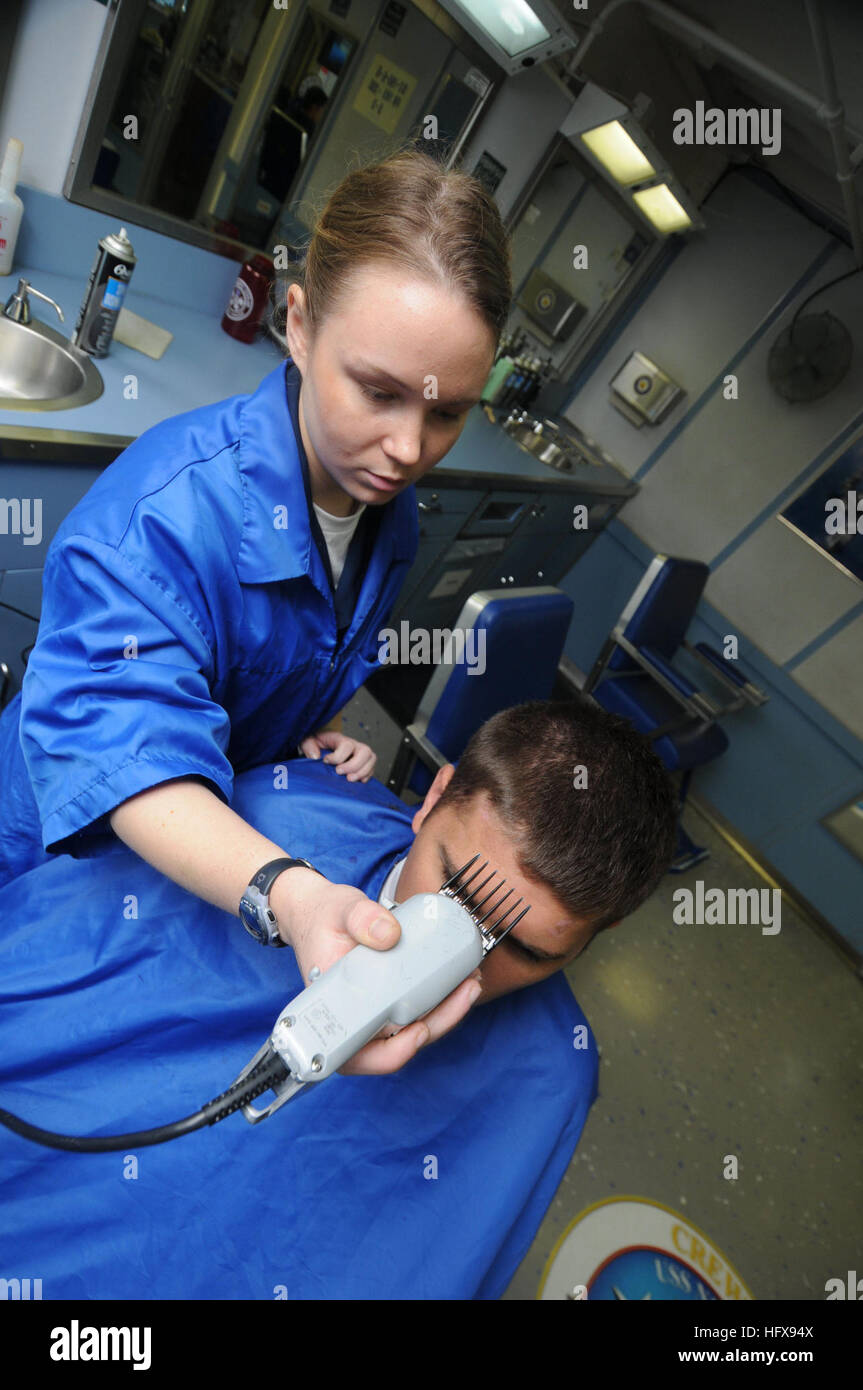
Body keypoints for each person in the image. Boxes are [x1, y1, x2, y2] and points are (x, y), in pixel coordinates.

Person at [0, 148, 511, 1074]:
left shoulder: (387, 519)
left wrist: (316, 722)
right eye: (378, 391)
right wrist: (292, 895)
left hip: (196, 855)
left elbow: (296, 647)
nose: (406, 449)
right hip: (49, 846)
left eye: (445, 414)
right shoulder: (160, 521)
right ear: (302, 325)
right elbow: (126, 751)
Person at [0, 698, 678, 1299]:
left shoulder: (550, 1076)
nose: (458, 960)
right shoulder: (274, 818)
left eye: (526, 950)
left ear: (599, 936)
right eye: (454, 890)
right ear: (435, 794)